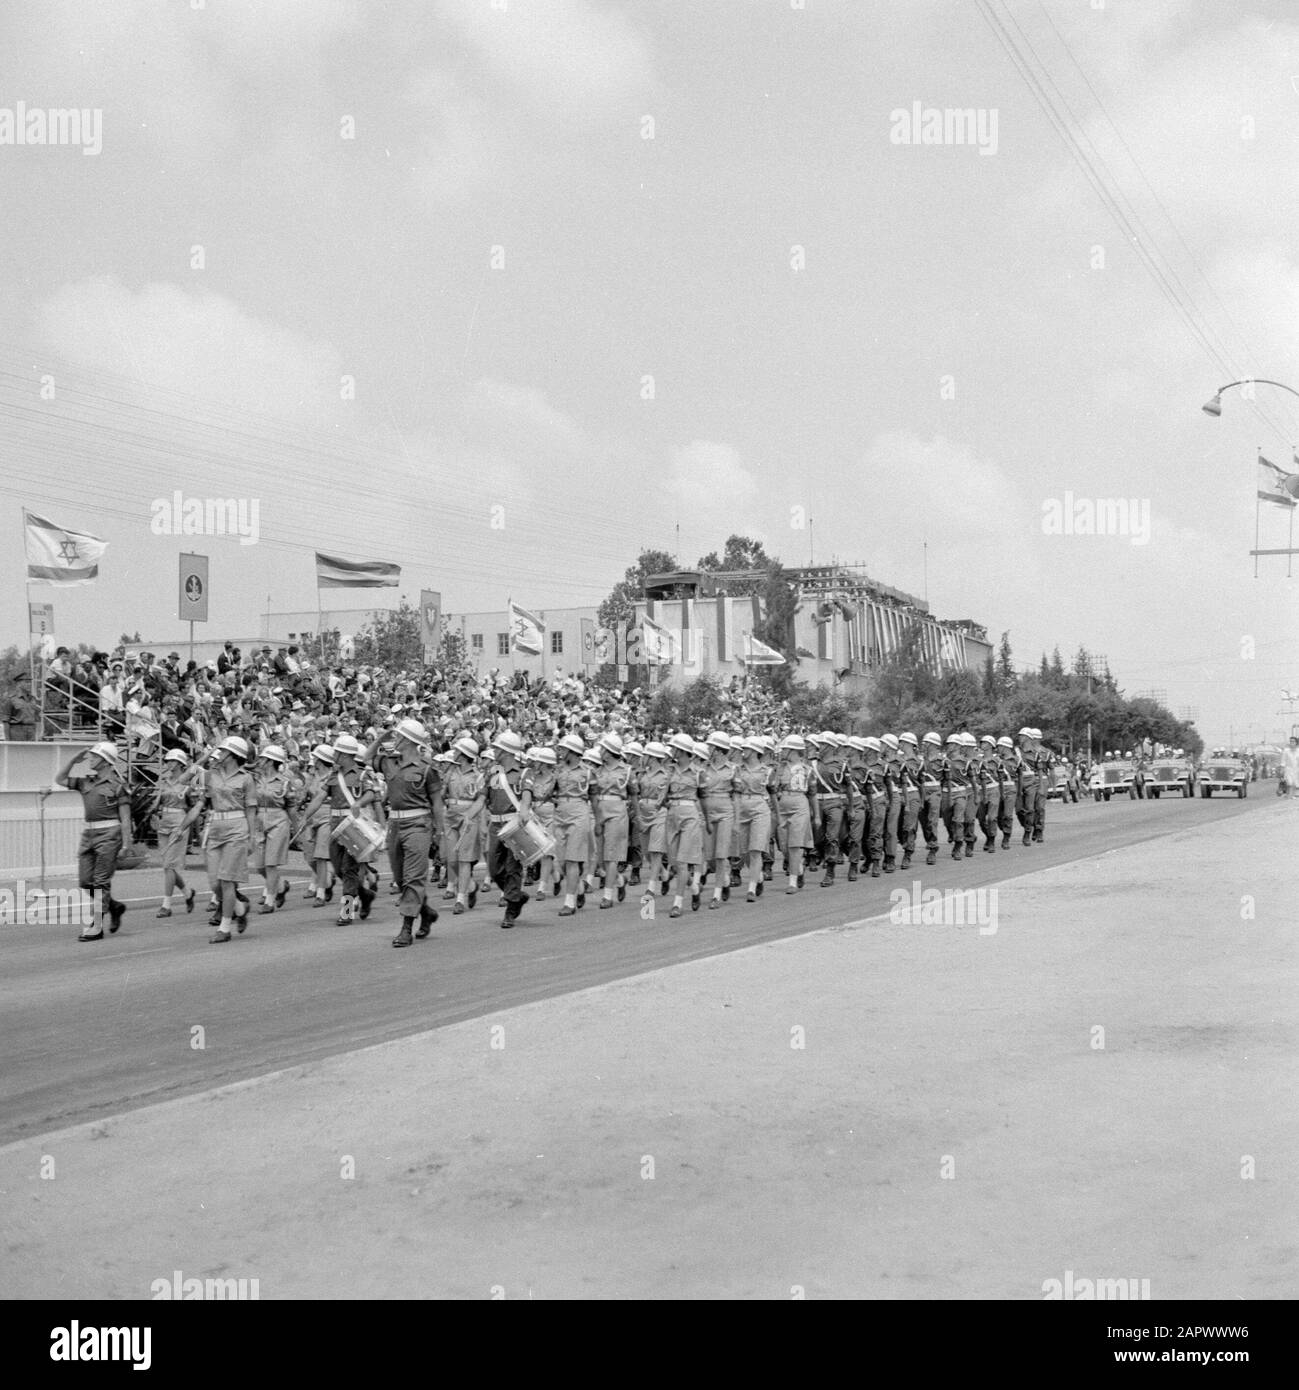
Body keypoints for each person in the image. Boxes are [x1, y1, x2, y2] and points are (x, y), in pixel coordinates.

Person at [55, 741, 133, 941]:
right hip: (88, 835)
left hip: (109, 834)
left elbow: (125, 817)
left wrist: (126, 844)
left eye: (94, 756)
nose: (90, 759)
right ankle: (114, 907)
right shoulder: (86, 782)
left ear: (105, 761)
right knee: (84, 881)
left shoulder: (118, 786)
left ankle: (96, 926)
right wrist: (74, 759)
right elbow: (60, 778)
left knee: (100, 881)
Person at [183, 736, 255, 943]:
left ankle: (225, 928)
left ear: (233, 756)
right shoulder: (210, 775)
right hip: (215, 829)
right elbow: (184, 778)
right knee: (214, 882)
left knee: (226, 881)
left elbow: (251, 809)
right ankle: (239, 909)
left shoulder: (246, 778)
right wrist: (207, 754)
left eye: (223, 751)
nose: (219, 754)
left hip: (237, 828)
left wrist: (252, 836)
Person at [380, 718, 441, 946]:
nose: (395, 739)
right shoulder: (390, 763)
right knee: (401, 878)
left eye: (398, 736)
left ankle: (406, 928)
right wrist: (381, 738)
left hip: (418, 825)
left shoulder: (426, 769)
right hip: (394, 826)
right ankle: (425, 912)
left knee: (412, 878)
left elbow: (436, 803)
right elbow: (367, 758)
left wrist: (439, 834)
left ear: (408, 740)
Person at [485, 730, 532, 928]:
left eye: (497, 748)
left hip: (513, 824)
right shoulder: (493, 773)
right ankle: (516, 896)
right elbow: (485, 797)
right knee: (494, 868)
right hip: (495, 824)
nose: (494, 751)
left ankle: (511, 908)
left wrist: (524, 810)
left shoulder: (523, 773)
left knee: (513, 867)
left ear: (505, 751)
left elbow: (527, 794)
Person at [250, 744, 298, 914]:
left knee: (271, 864)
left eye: (263, 759)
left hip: (278, 821)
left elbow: (291, 806)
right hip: (259, 822)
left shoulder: (284, 782)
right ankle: (279, 886)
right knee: (260, 865)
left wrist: (297, 829)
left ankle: (269, 900)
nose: (260, 762)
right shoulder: (256, 779)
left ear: (271, 762)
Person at [441, 736, 484, 915]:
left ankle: (460, 899)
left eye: (458, 751)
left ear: (465, 754)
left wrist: (470, 815)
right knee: (450, 859)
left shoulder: (478, 776)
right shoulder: (450, 772)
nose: (455, 753)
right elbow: (442, 793)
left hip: (468, 817)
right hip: (450, 816)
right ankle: (471, 885)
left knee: (464, 858)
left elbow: (480, 799)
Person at [153, 748, 198, 916]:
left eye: (171, 761)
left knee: (169, 865)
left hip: (179, 824)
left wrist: (185, 827)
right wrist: (154, 815)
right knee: (167, 867)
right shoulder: (163, 781)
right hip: (163, 823)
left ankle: (166, 905)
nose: (168, 764)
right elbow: (157, 803)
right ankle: (187, 893)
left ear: (180, 764)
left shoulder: (187, 784)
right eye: (167, 761)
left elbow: (194, 808)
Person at [553, 732, 594, 916]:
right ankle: (578, 886)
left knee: (572, 859)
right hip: (560, 812)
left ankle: (569, 902)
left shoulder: (587, 771)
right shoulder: (558, 770)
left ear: (573, 751)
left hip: (579, 811)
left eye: (564, 748)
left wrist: (598, 821)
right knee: (561, 861)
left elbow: (594, 796)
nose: (561, 751)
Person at [664, 732, 705, 917]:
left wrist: (707, 819)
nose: (672, 751)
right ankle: (694, 888)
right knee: (674, 862)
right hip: (672, 814)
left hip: (690, 815)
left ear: (681, 750)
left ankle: (678, 903)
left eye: (675, 748)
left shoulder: (698, 772)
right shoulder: (669, 770)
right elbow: (663, 795)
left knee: (682, 862)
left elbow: (703, 798)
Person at [592, 731, 632, 909]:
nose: (600, 751)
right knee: (599, 857)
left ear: (609, 751)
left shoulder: (626, 770)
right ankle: (619, 880)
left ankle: (608, 895)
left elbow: (634, 792)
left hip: (617, 811)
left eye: (602, 748)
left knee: (611, 855)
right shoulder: (596, 770)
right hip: (599, 811)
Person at [774, 734, 817, 893]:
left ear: (792, 750)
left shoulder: (808, 769)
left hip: (800, 804)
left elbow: (812, 793)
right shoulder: (780, 768)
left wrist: (816, 815)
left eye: (785, 749)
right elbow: (773, 789)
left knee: (795, 845)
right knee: (784, 846)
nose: (783, 751)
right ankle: (798, 867)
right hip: (783, 805)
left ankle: (792, 882)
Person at [700, 731, 738, 906]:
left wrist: (737, 819)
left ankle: (716, 894)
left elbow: (737, 795)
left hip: (725, 810)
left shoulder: (733, 769)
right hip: (707, 810)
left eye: (711, 746)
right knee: (710, 857)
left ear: (718, 749)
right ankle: (725, 879)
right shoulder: (703, 768)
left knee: (721, 854)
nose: (708, 749)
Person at [734, 735, 772, 902]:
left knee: (756, 849)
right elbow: (735, 794)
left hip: (759, 808)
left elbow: (772, 792)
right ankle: (759, 877)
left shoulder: (767, 771)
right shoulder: (737, 770)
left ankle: (751, 887)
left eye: (747, 749)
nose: (744, 751)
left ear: (756, 751)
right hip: (742, 807)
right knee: (745, 851)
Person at [812, 731, 849, 887]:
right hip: (818, 803)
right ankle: (821, 855)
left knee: (832, 837)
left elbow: (847, 787)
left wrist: (851, 807)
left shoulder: (841, 765)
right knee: (818, 838)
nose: (819, 747)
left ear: (830, 746)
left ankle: (830, 871)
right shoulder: (813, 763)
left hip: (834, 803)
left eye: (822, 744)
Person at [634, 741, 671, 900]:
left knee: (656, 851)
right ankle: (664, 873)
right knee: (647, 852)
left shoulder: (667, 775)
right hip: (643, 812)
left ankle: (651, 886)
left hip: (659, 812)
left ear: (653, 757)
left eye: (646, 755)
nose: (644, 758)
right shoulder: (641, 774)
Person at [1, 671, 38, 740]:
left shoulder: (33, 699)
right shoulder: (11, 699)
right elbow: (6, 721)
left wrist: (37, 736)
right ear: (19, 683)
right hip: (17, 731)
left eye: (30, 682)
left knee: (31, 751)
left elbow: (37, 718)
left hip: (31, 732)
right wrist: (8, 740)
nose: (29, 684)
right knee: (17, 751)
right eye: (26, 682)